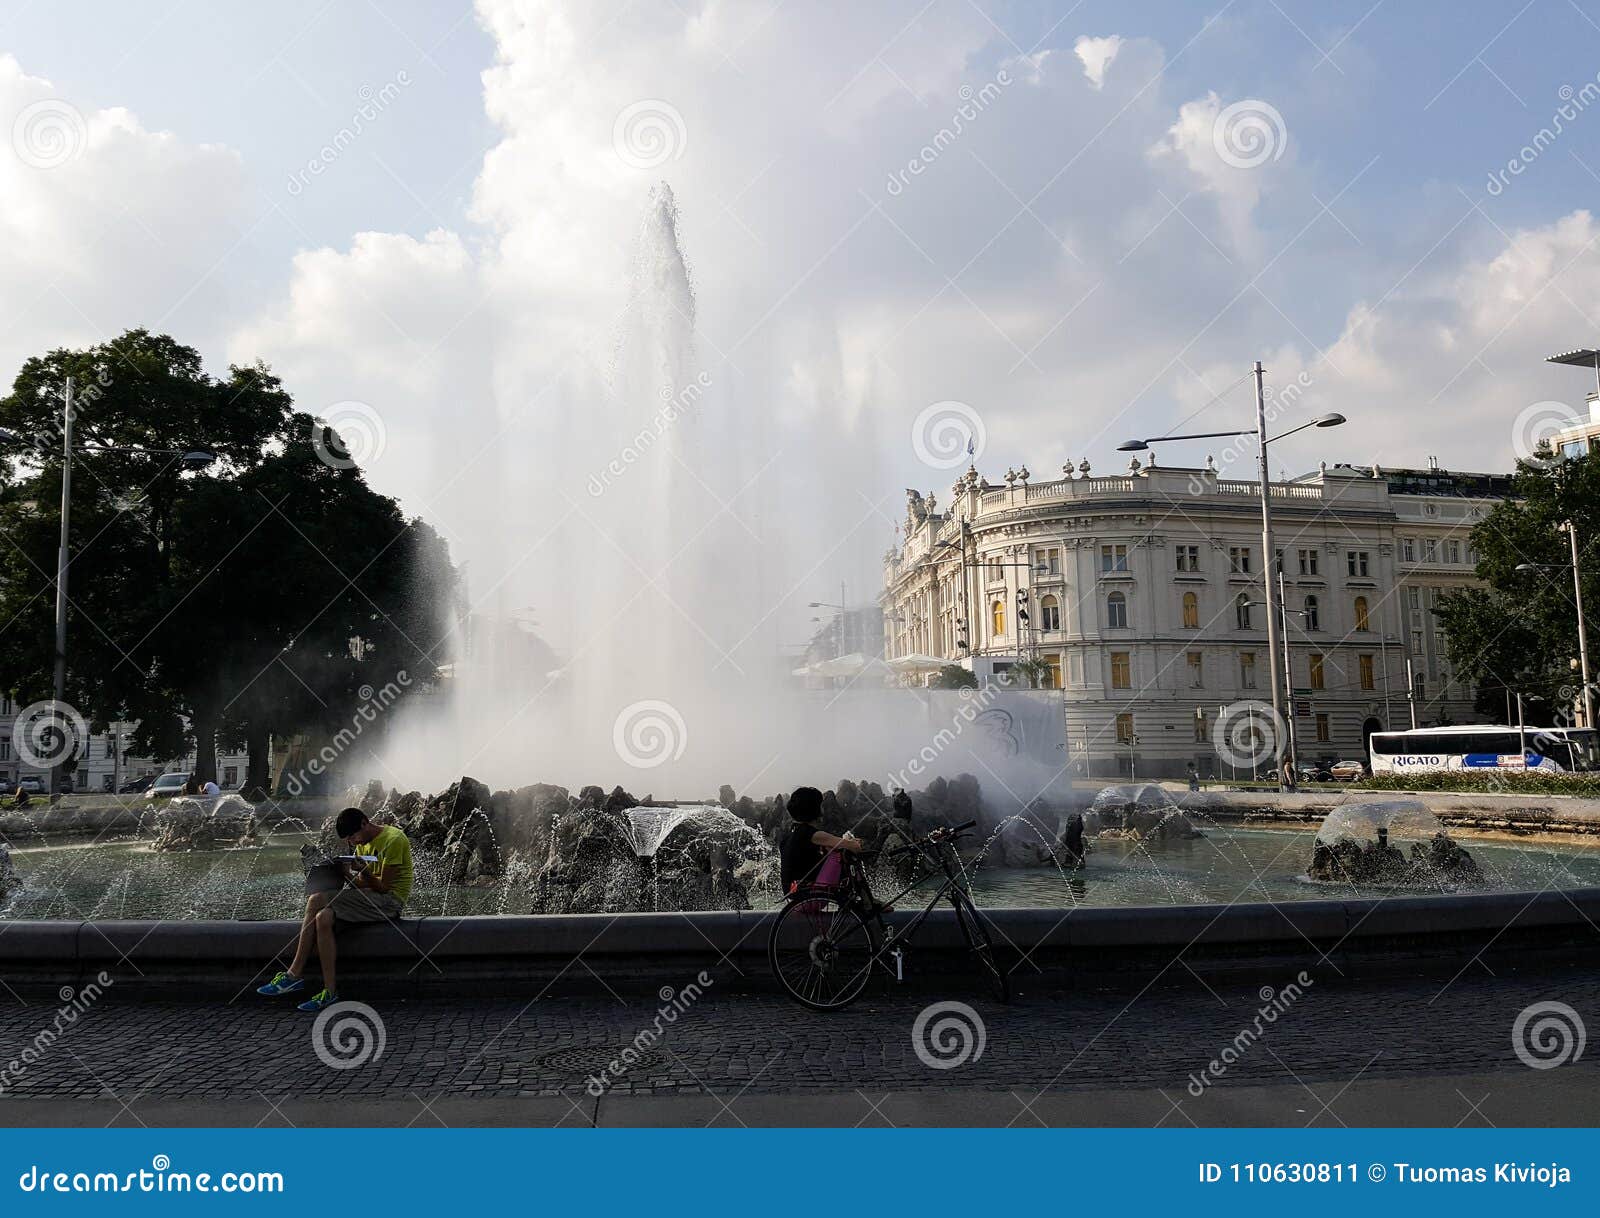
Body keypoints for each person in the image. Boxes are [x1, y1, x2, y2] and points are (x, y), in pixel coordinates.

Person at [256, 807, 414, 1012]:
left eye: (353, 836)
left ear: (365, 823)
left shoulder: (394, 839)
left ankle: (293, 975)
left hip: (390, 902)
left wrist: (364, 871)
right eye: (349, 839)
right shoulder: (361, 844)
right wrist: (343, 874)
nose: (352, 842)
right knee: (323, 917)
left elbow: (384, 887)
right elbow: (362, 884)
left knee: (315, 900)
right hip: (370, 899)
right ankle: (329, 992)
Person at [780, 785, 863, 893]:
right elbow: (855, 847)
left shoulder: (788, 837)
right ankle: (867, 901)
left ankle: (852, 902)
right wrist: (853, 843)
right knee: (842, 854)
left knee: (831, 849)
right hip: (810, 892)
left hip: (793, 893)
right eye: (821, 804)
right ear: (815, 809)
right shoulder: (813, 834)